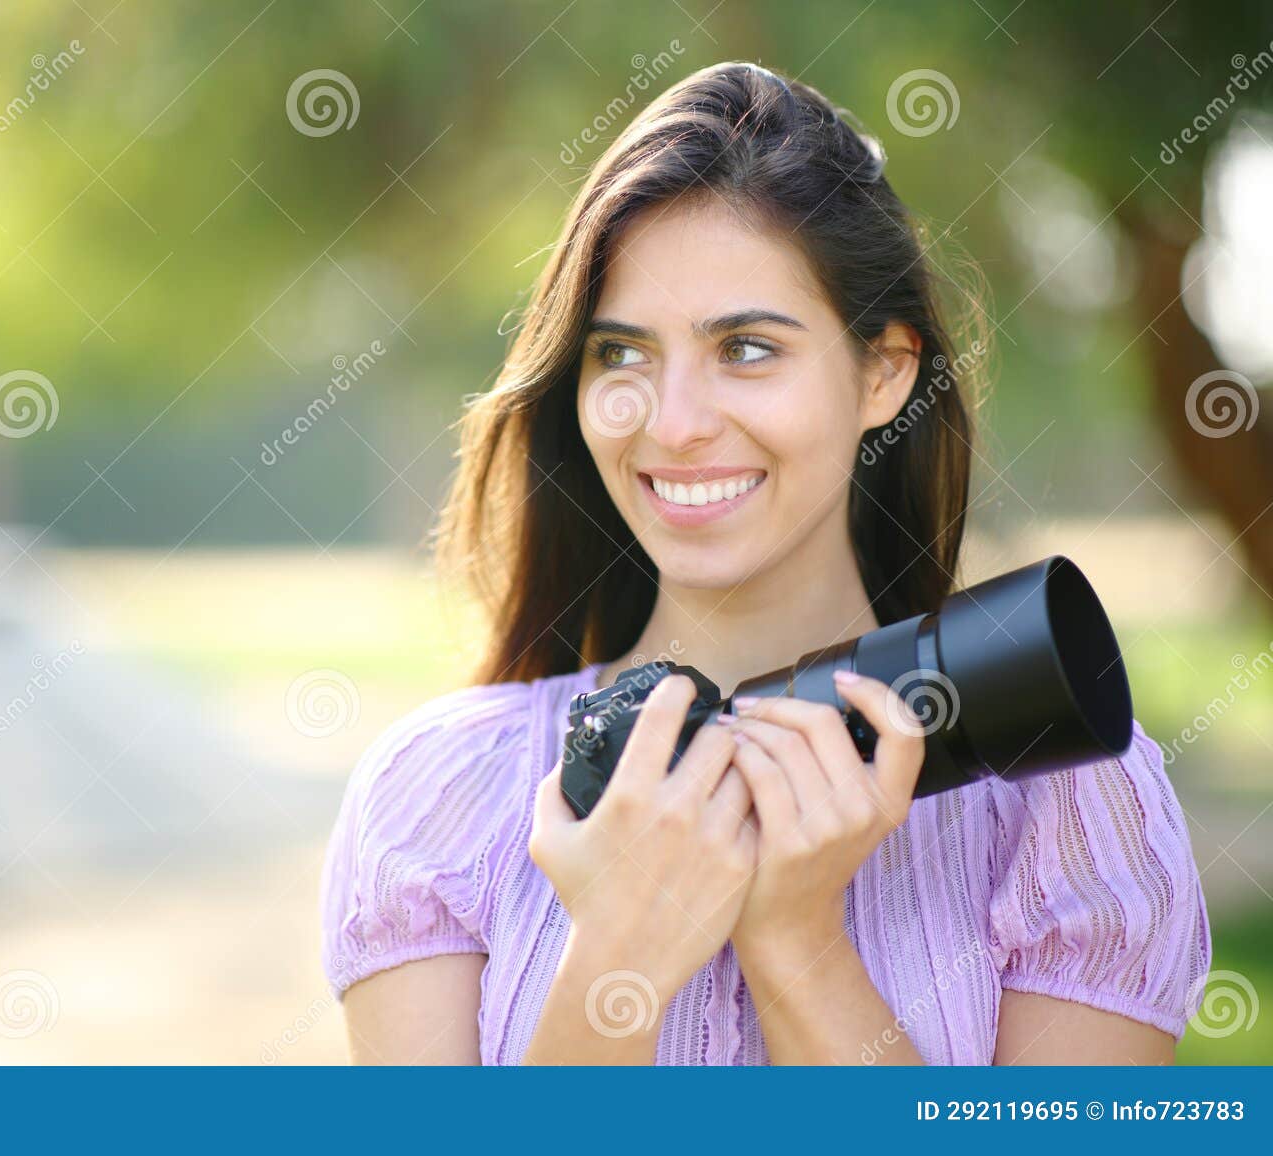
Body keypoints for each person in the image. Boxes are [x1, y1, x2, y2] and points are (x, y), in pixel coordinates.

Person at [319, 61, 1210, 1065]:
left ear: (883, 372)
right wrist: (619, 953)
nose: (674, 423)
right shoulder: (438, 794)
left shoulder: (1061, 794)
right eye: (620, 353)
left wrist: (795, 937)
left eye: (745, 348)